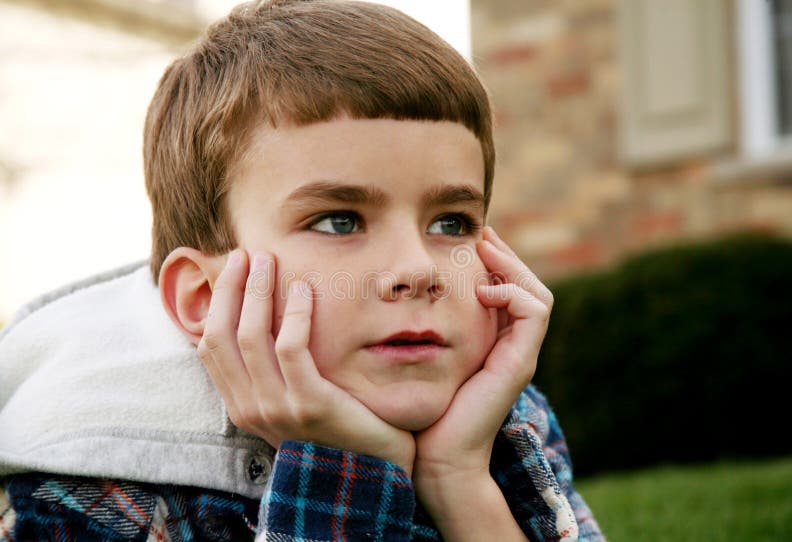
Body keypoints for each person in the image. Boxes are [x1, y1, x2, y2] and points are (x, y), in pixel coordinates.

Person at [0, 1, 605, 540]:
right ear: (204, 298)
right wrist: (349, 470)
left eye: (451, 222)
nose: (419, 270)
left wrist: (460, 482)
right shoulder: (81, 487)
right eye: (340, 221)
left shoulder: (503, 414)